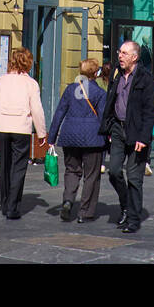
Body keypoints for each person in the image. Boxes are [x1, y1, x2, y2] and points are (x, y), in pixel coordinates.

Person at [99, 39, 154, 233]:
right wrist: (108, 127)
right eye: (119, 52)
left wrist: (143, 138)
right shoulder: (116, 74)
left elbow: (150, 112)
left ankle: (133, 218)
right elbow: (111, 100)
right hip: (117, 129)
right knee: (114, 171)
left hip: (137, 132)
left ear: (135, 57)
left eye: (124, 53)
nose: (119, 56)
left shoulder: (145, 78)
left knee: (134, 178)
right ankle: (125, 205)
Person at [0, 46, 47, 219]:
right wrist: (42, 133)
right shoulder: (31, 84)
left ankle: (4, 204)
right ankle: (13, 207)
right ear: (28, 63)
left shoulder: (0, 81)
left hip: (2, 128)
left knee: (4, 166)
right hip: (21, 129)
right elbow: (37, 110)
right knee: (18, 168)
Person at [46, 59, 107, 221]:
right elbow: (103, 118)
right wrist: (108, 140)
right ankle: (85, 211)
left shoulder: (70, 90)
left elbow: (59, 113)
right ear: (95, 74)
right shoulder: (100, 93)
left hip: (70, 136)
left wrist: (51, 137)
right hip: (92, 138)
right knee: (91, 175)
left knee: (72, 170)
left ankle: (67, 201)